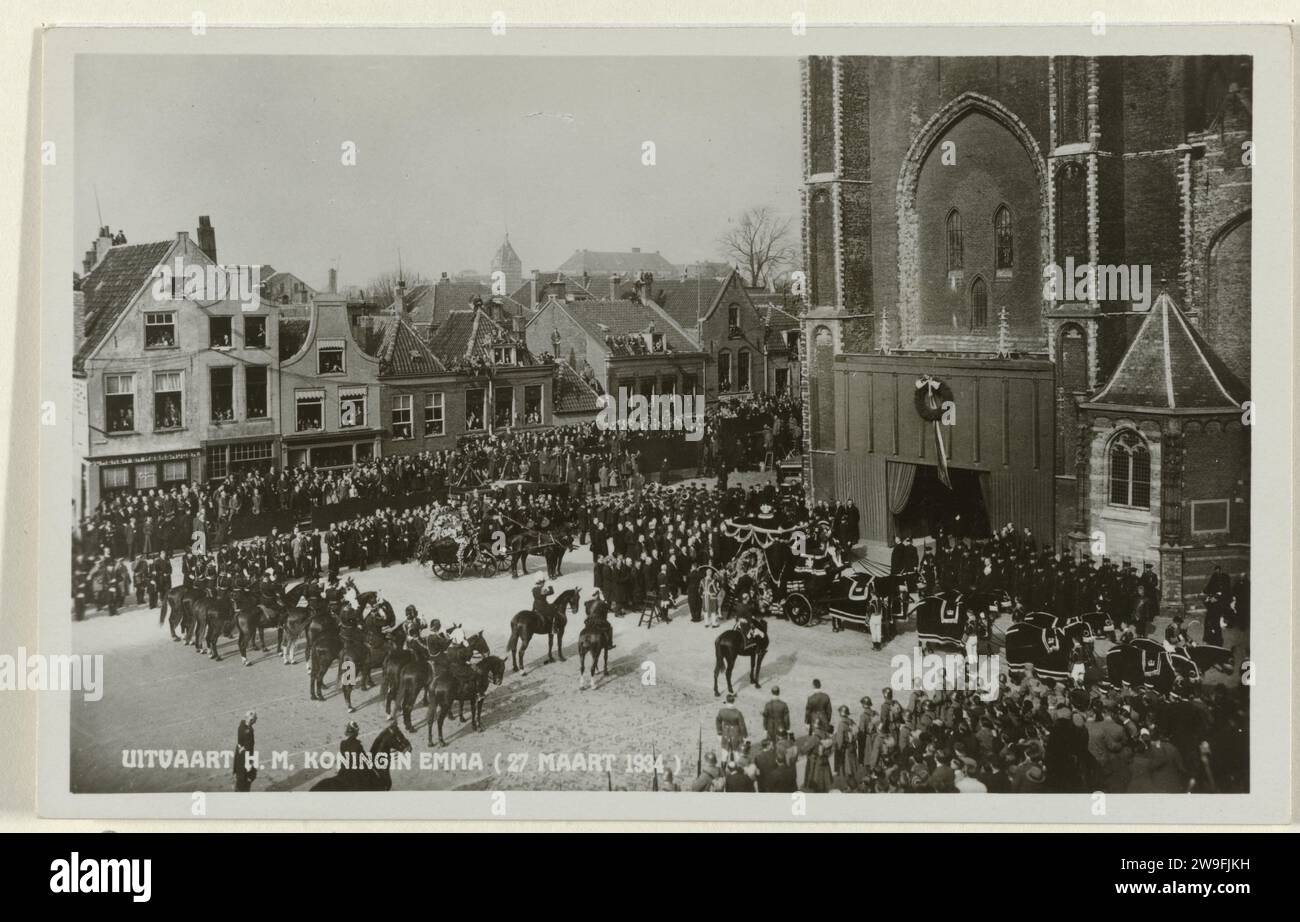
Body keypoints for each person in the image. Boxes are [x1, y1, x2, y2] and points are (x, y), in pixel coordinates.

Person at [716, 693, 748, 763]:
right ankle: (736, 768)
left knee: (724, 753)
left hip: (725, 733)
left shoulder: (722, 711)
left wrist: (719, 732)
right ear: (734, 701)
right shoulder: (738, 713)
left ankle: (723, 770)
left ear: (726, 701)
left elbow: (718, 721)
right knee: (736, 752)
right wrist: (745, 735)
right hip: (735, 734)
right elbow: (742, 725)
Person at [234, 710, 257, 792]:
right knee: (247, 777)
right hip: (244, 757)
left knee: (242, 777)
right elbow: (248, 746)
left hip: (241, 755)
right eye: (255, 719)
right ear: (251, 720)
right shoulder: (248, 731)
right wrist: (250, 762)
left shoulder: (242, 725)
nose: (256, 720)